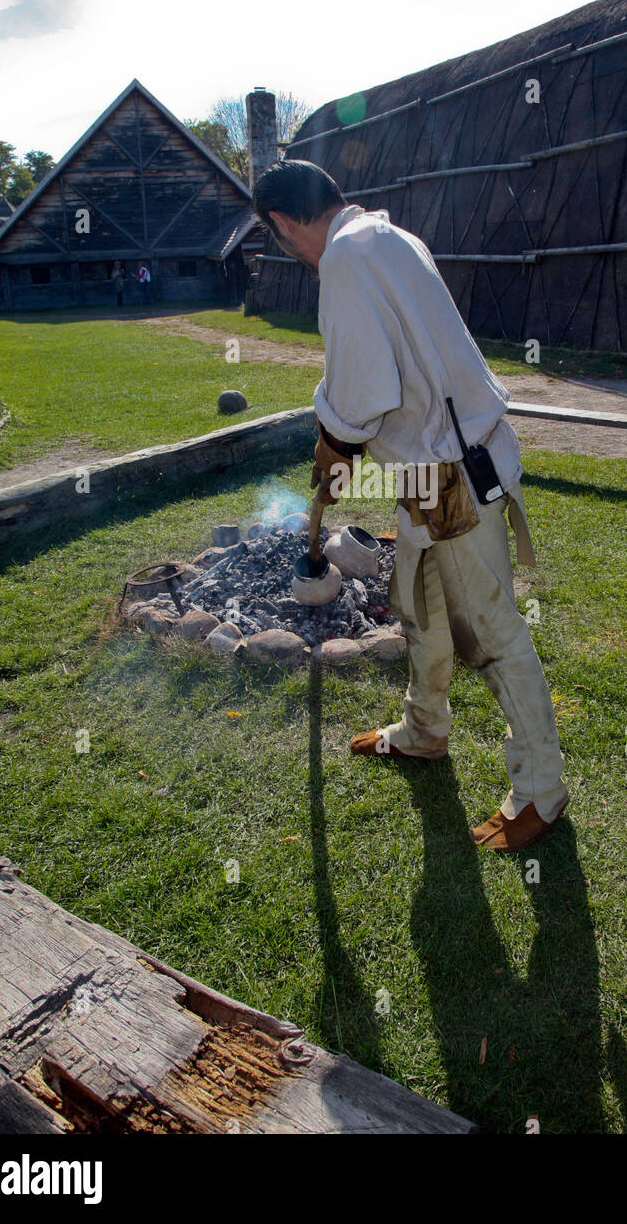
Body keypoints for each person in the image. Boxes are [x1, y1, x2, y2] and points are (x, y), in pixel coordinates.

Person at [252, 160, 569, 853]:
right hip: (436, 469)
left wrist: (335, 445)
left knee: (491, 633)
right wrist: (342, 441)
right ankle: (424, 731)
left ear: (282, 222)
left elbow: (366, 389)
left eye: (280, 239)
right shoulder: (389, 237)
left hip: (452, 475)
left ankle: (542, 788)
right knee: (421, 606)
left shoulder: (343, 256)